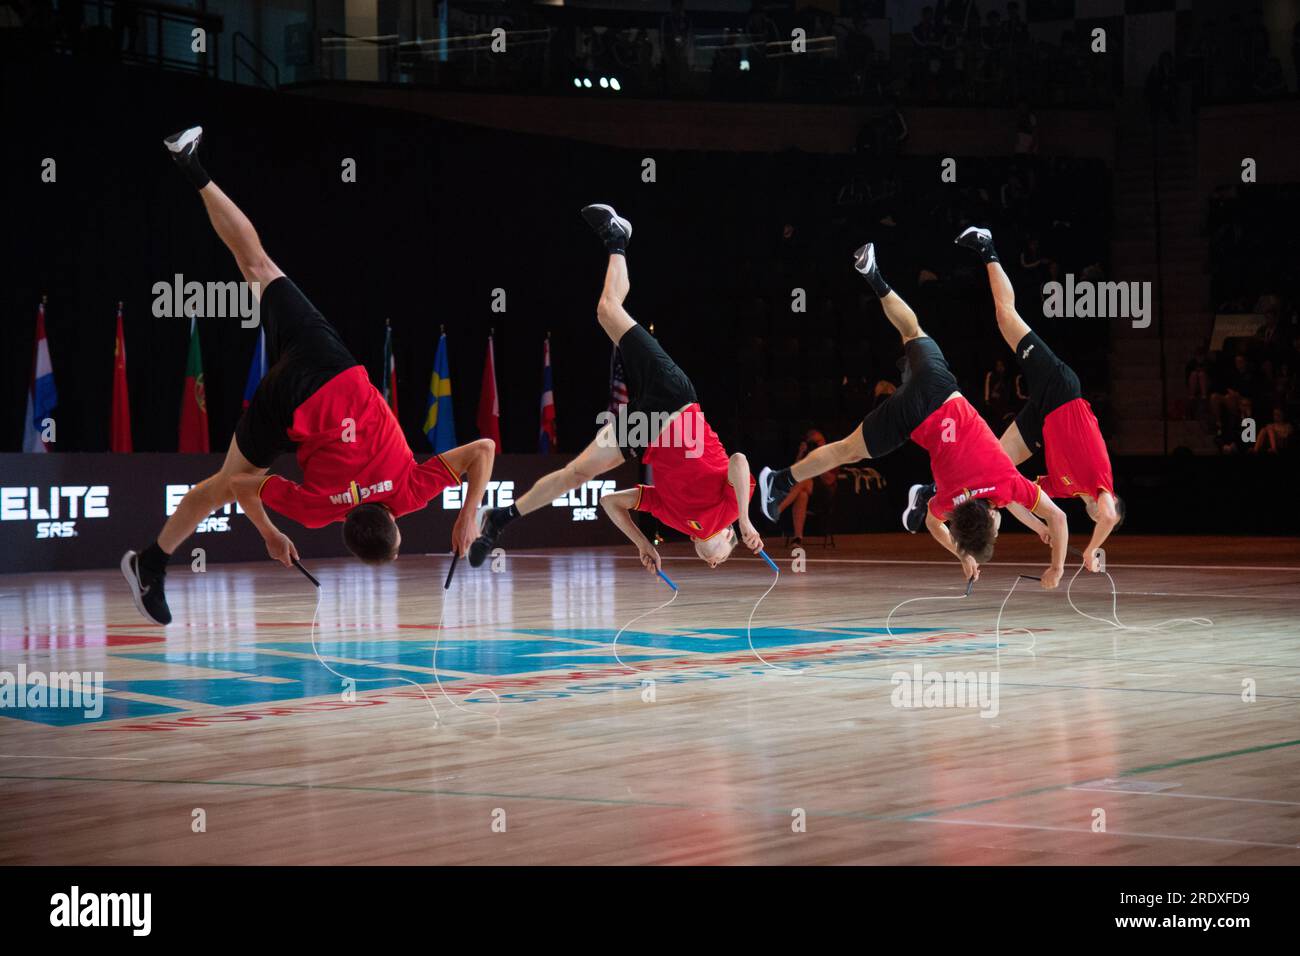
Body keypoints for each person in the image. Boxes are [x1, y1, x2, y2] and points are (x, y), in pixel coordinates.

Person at [120, 127, 495, 626]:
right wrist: (269, 533)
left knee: (256, 264)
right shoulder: (318, 511)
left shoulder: (409, 494)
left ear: (394, 525)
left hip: (329, 364)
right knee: (220, 483)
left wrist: (468, 513)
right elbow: (244, 485)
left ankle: (191, 164)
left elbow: (483, 449)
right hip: (286, 404)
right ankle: (152, 561)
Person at [467, 204, 764, 573]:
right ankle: (617, 238)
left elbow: (610, 502)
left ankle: (501, 518)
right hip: (675, 402)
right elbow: (738, 461)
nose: (716, 563)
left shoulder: (676, 521)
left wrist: (643, 544)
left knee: (578, 473)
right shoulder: (732, 509)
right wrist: (746, 521)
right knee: (607, 311)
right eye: (722, 555)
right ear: (728, 535)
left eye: (714, 562)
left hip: (646, 430)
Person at [758, 241, 1068, 587]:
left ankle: (874, 276)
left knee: (912, 331)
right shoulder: (949, 499)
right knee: (847, 450)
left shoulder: (1008, 483)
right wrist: (962, 555)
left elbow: (1058, 518)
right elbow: (935, 524)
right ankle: (780, 479)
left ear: (992, 516)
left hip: (938, 388)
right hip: (911, 418)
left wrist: (1057, 568)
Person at [939, 225, 1121, 570]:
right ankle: (986, 244)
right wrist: (1091, 550)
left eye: (1098, 516)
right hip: (1061, 390)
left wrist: (1039, 527)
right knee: (1005, 317)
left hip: (1043, 418)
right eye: (1106, 509)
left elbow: (1010, 494)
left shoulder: (1063, 488)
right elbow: (1109, 517)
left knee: (994, 470)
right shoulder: (1101, 482)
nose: (1101, 513)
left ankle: (943, 497)